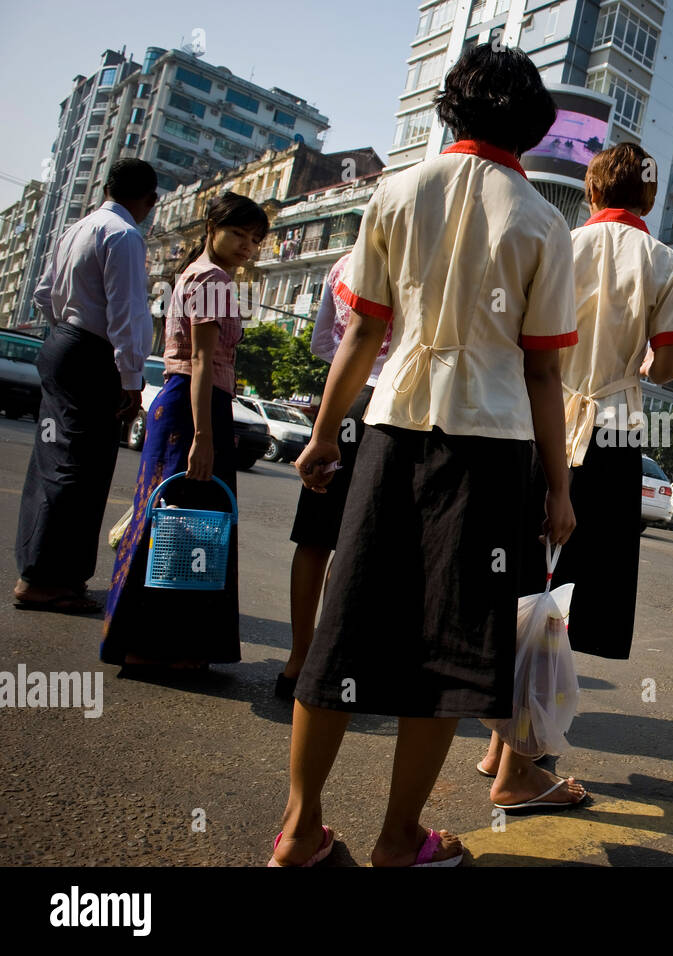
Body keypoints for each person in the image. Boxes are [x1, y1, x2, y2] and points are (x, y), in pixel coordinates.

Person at [268, 44, 579, 868]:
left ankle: (300, 834)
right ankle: (400, 839)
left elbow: (365, 330)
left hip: (393, 426)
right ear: (533, 125)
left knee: (344, 632)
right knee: (451, 652)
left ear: (450, 108)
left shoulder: (397, 192)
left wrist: (325, 431)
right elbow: (544, 371)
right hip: (491, 451)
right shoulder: (546, 223)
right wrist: (560, 488)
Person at [478, 143, 673, 796]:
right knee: (566, 600)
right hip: (611, 426)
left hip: (535, 417)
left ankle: (503, 747)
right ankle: (526, 766)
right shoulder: (665, 263)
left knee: (527, 580)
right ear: (650, 199)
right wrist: (634, 366)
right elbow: (665, 367)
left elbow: (518, 340)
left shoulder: (557, 242)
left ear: (591, 191)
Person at [100, 192, 269, 669]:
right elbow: (200, 360)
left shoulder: (195, 273)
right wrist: (205, 437)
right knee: (186, 524)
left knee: (166, 520)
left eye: (255, 240)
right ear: (213, 225)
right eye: (238, 233)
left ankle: (145, 643)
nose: (247, 247)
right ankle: (166, 647)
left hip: (181, 404)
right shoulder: (212, 278)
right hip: (195, 408)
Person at [12, 159, 157, 614]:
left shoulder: (77, 228)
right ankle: (49, 580)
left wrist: (65, 331)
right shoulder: (125, 235)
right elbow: (128, 313)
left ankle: (39, 570)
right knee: (80, 469)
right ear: (150, 201)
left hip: (62, 344)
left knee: (51, 462)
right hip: (92, 354)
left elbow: (42, 293)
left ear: (107, 187)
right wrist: (132, 380)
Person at [276, 251, 392, 700]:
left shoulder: (342, 266)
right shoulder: (410, 261)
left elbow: (323, 343)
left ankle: (297, 659)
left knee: (314, 534)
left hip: (341, 396)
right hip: (386, 403)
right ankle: (335, 663)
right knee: (358, 542)